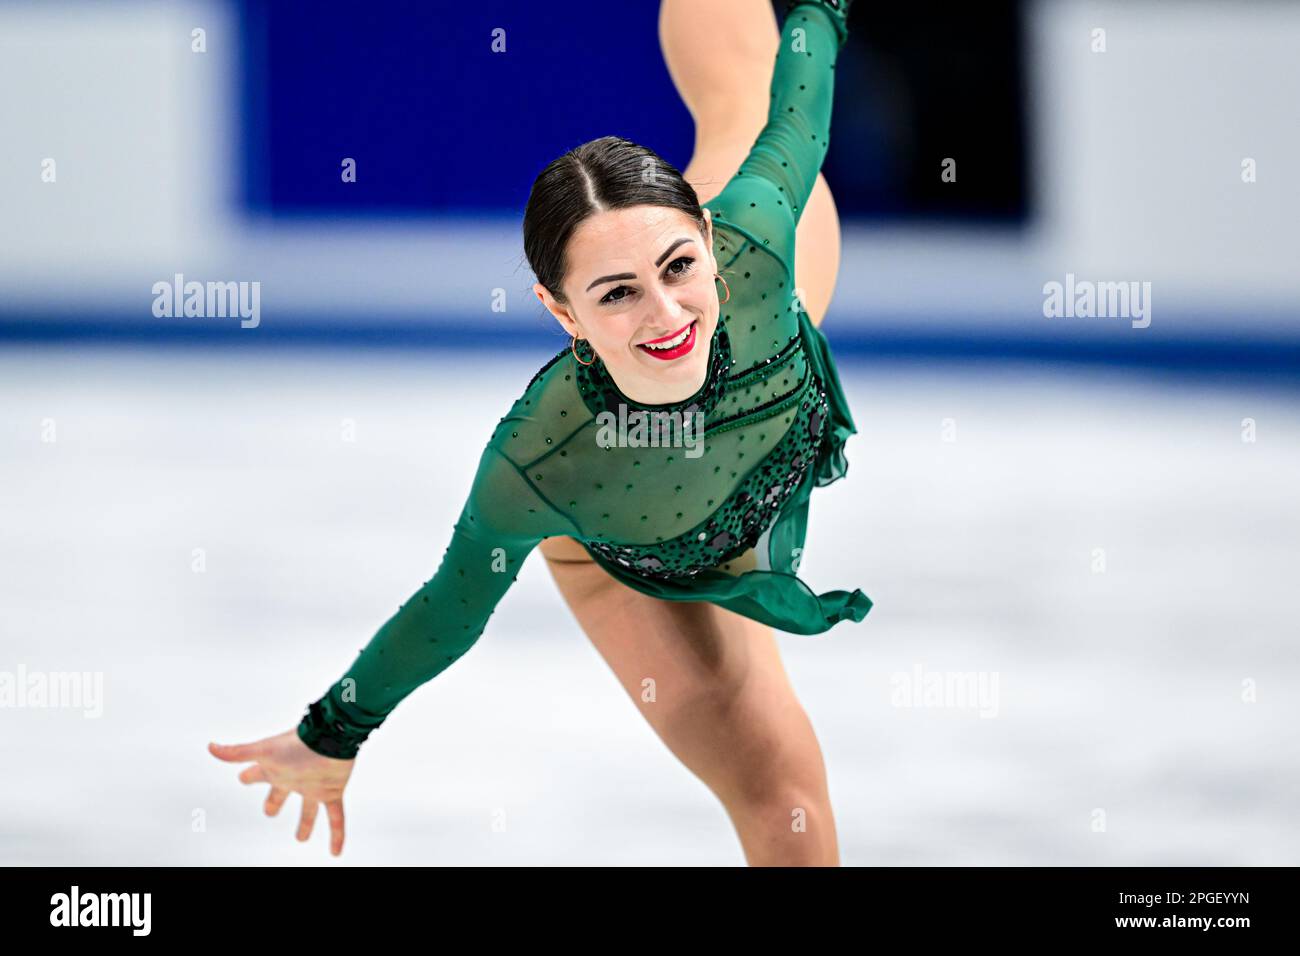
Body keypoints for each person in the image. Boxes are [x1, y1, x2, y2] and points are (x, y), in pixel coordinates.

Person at [210, 0, 867, 866]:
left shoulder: (758, 242)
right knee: (783, 796)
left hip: (764, 317)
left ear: (709, 241)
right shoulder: (543, 462)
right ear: (563, 314)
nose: (667, 316)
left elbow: (799, 104)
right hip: (630, 554)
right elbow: (449, 607)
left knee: (744, 93)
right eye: (616, 293)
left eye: (678, 267)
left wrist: (823, 8)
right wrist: (330, 733)